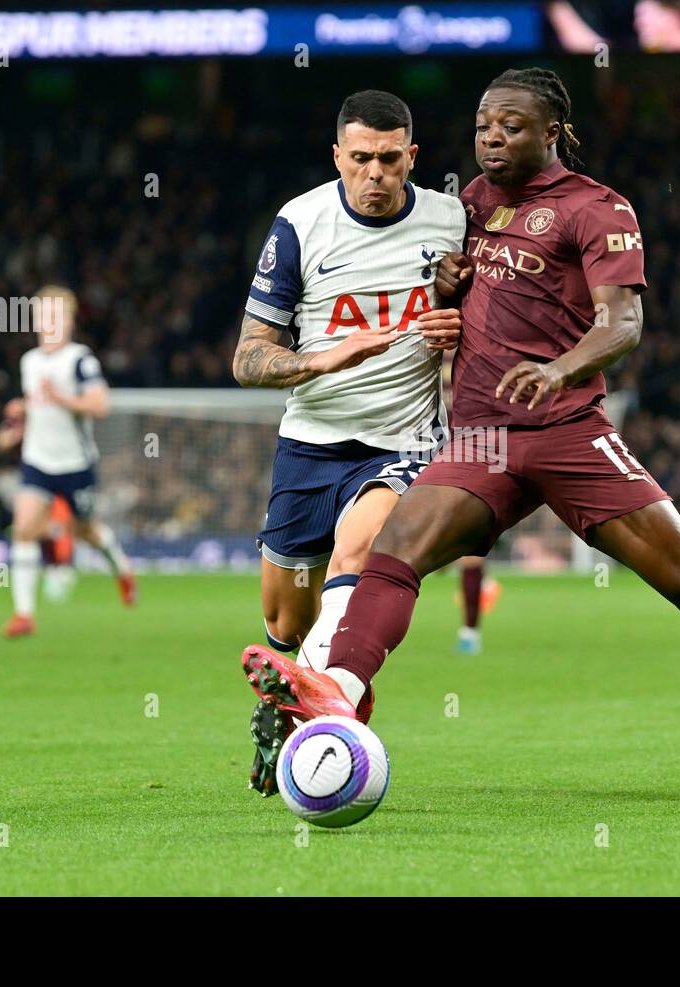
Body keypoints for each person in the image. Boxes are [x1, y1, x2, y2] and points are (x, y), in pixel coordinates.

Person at [240, 68, 680, 758]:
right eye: (483, 126)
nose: (492, 138)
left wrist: (560, 368)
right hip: (481, 440)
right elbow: (457, 286)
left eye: (511, 126)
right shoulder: (470, 205)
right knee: (392, 554)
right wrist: (448, 288)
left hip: (569, 432)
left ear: (554, 133)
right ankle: (339, 690)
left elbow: (624, 324)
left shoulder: (599, 209)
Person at [232, 90, 465, 794]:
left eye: (390, 159)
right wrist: (321, 359)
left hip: (405, 438)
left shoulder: (452, 220)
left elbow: (493, 310)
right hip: (311, 441)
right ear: (337, 156)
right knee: (283, 615)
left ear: (411, 158)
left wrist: (461, 329)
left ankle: (330, 694)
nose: (374, 174)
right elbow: (248, 358)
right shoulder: (300, 223)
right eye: (360, 158)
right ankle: (289, 699)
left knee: (360, 547)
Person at [0, 285, 136, 638]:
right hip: (37, 460)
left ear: (70, 321)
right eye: (43, 316)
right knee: (24, 527)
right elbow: (36, 404)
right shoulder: (29, 361)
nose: (49, 322)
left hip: (76, 463)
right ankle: (24, 614)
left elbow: (100, 405)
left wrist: (62, 398)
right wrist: (20, 417)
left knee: (86, 531)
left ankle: (121, 567)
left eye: (56, 316)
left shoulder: (80, 359)